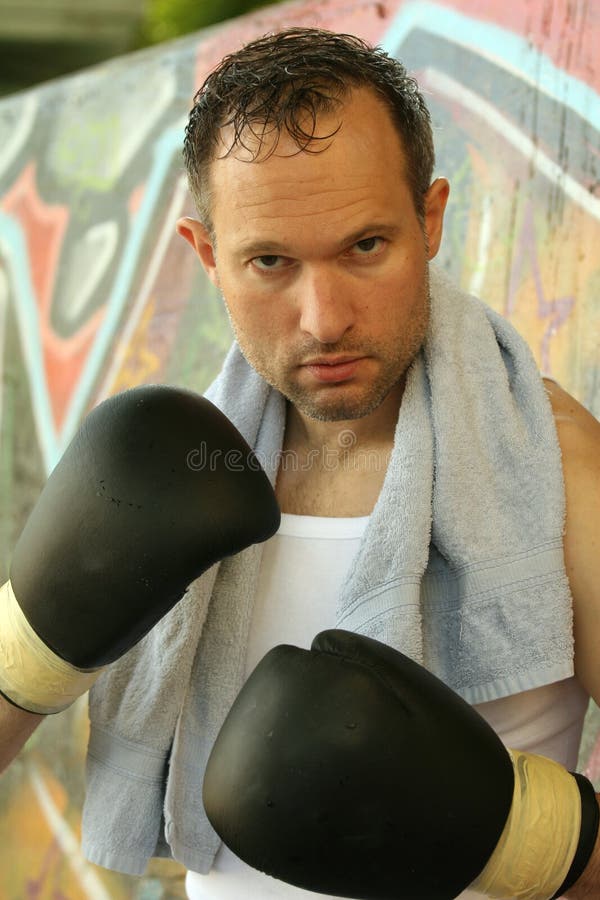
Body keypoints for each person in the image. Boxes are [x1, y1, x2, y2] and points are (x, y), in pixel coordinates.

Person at [1, 25, 599, 900]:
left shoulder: (552, 463)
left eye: (365, 247)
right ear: (207, 255)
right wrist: (25, 656)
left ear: (429, 219)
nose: (324, 318)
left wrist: (519, 837)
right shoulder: (164, 470)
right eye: (270, 262)